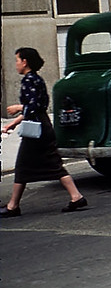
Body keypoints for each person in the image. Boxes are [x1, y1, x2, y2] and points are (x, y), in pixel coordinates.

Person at [1, 47, 87, 218]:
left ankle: (13, 206)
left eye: (17, 60)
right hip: (40, 127)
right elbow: (36, 109)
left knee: (24, 165)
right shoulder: (36, 79)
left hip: (36, 131)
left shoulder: (29, 80)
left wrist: (19, 108)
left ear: (25, 62)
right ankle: (76, 197)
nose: (16, 64)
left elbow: (35, 107)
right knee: (52, 163)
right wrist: (12, 124)